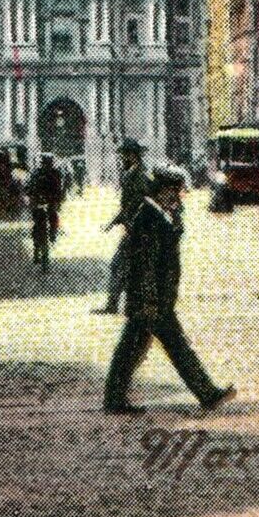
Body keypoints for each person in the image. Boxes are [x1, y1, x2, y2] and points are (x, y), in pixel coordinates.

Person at [103, 166, 235, 416]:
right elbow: (146, 265)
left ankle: (114, 399)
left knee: (131, 350)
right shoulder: (149, 218)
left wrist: (176, 219)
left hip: (153, 299)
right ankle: (207, 394)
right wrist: (150, 301)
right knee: (174, 346)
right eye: (174, 192)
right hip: (150, 300)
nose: (177, 197)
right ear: (162, 190)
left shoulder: (156, 214)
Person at [98, 139, 146, 315]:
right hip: (132, 227)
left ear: (132, 155)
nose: (122, 158)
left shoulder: (139, 175)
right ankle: (123, 305)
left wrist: (126, 220)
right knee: (125, 267)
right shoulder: (132, 173)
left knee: (120, 265)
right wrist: (115, 221)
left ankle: (118, 305)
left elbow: (137, 202)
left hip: (137, 228)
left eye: (124, 155)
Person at [26, 155, 64, 272]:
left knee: (53, 219)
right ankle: (38, 246)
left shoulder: (54, 173)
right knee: (39, 225)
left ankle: (52, 234)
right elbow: (29, 188)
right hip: (40, 204)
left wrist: (58, 200)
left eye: (48, 163)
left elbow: (60, 189)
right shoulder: (37, 173)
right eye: (46, 163)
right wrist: (32, 198)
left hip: (48, 203)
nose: (47, 165)